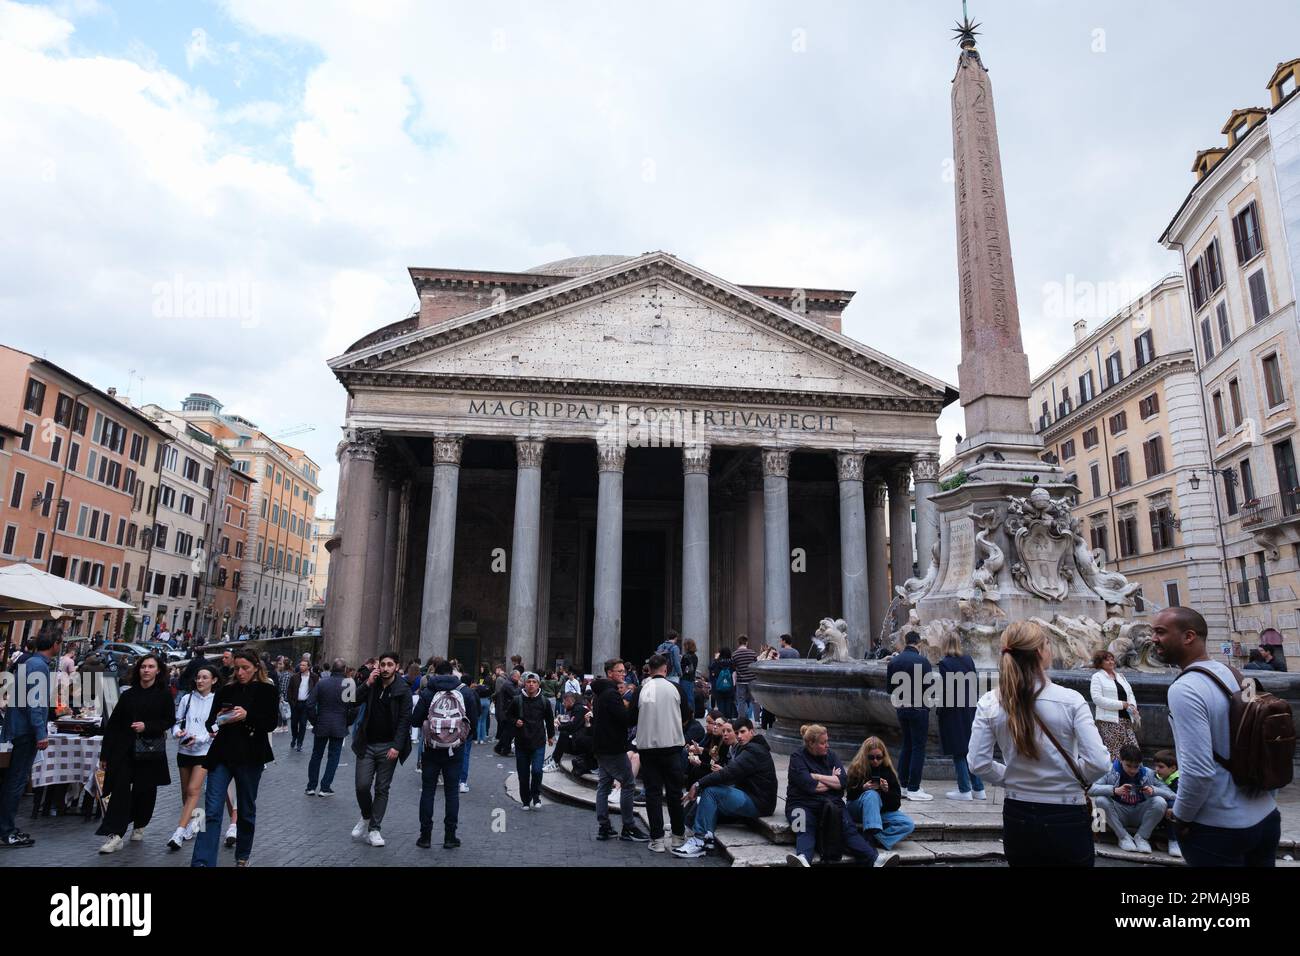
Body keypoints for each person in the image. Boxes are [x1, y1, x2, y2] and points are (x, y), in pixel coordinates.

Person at [969, 620, 1111, 867]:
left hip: (1017, 812)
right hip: (1066, 811)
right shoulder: (1071, 700)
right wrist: (1074, 777)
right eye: (1048, 644)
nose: (1050, 650)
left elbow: (978, 764)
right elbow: (1099, 762)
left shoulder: (990, 702)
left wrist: (1012, 777)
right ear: (1039, 652)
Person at [1152, 606, 1280, 867]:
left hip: (1219, 828)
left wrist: (1181, 817)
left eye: (1160, 632)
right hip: (1266, 818)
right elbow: (1265, 745)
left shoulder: (1185, 688)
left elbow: (1198, 771)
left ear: (1189, 636)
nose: (1153, 638)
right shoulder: (1235, 673)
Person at [189, 649, 279, 867]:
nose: (240, 673)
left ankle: (243, 855)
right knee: (210, 809)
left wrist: (247, 717)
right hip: (222, 754)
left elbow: (270, 723)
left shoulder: (267, 690)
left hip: (251, 755)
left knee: (246, 810)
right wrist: (220, 719)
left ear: (256, 667)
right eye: (237, 668)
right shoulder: (227, 690)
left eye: (245, 668)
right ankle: (202, 861)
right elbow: (210, 721)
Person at [96, 653, 173, 853]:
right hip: (125, 750)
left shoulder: (164, 694)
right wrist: (105, 754)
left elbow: (169, 720)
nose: (146, 670)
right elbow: (113, 725)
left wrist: (147, 726)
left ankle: (140, 822)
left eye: (150, 666)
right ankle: (115, 834)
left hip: (149, 751)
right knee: (120, 790)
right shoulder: (128, 695)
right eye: (143, 666)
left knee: (145, 790)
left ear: (158, 670)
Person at [785, 723, 889, 867]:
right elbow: (810, 786)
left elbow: (842, 782)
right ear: (811, 743)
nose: (827, 745)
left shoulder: (832, 756)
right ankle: (802, 859)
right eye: (823, 743)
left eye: (827, 741)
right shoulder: (797, 757)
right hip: (800, 804)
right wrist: (830, 780)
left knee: (849, 830)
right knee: (803, 827)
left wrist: (815, 776)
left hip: (832, 803)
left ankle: (874, 859)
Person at [674, 718, 777, 859]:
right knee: (711, 789)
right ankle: (707, 837)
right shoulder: (749, 747)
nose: (739, 736)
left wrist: (698, 784)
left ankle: (699, 840)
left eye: (742, 732)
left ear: (752, 731)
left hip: (759, 802)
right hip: (753, 797)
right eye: (737, 732)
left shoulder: (754, 750)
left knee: (711, 791)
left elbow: (729, 772)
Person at [0, 625, 59, 849]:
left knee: (14, 780)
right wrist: (41, 733)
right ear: (54, 645)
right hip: (26, 731)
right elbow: (35, 703)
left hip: (21, 728)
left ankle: (6, 827)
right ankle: (7, 830)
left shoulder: (31, 663)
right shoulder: (37, 666)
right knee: (16, 781)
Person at [350, 651, 413, 847]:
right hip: (367, 744)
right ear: (378, 666)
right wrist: (367, 683)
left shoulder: (403, 690)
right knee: (362, 785)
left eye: (389, 665)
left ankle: (375, 829)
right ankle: (367, 816)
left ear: (396, 667)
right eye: (383, 664)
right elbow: (351, 700)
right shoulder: (372, 684)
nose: (385, 668)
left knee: (382, 788)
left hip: (389, 747)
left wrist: (397, 746)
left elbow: (404, 721)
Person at [411, 659, 470, 849]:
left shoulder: (428, 692)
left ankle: (425, 836)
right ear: (453, 673)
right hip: (455, 751)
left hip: (431, 749)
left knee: (428, 791)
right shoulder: (464, 691)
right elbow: (473, 722)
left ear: (435, 673)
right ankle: (450, 837)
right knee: (452, 793)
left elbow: (415, 720)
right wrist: (458, 739)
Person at [633, 653, 688, 852]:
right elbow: (688, 714)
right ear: (665, 669)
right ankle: (677, 837)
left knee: (653, 795)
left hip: (648, 750)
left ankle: (656, 839)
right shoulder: (676, 688)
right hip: (672, 747)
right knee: (675, 793)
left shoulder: (641, 689)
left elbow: (632, 718)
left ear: (649, 669)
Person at [591, 659, 650, 842]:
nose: (623, 674)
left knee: (604, 785)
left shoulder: (600, 692)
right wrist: (635, 703)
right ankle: (629, 827)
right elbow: (625, 719)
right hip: (613, 747)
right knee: (628, 784)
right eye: (619, 671)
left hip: (601, 745)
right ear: (610, 673)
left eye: (624, 671)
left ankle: (604, 827)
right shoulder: (611, 694)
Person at [1089, 743, 1176, 854]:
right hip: (1119, 813)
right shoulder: (1109, 770)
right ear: (1121, 760)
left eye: (1136, 766)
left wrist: (1154, 790)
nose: (1133, 770)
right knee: (1101, 800)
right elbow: (1090, 789)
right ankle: (1123, 837)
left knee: (1160, 801)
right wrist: (1114, 790)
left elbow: (1172, 794)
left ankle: (1142, 837)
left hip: (1140, 813)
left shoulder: (1148, 773)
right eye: (1128, 765)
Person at [167, 662, 219, 850]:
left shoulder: (216, 700)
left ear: (214, 680)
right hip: (184, 750)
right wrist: (177, 733)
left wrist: (201, 739)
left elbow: (217, 727)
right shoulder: (186, 699)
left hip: (204, 751)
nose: (200, 681)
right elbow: (177, 722)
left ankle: (178, 832)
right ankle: (196, 822)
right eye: (198, 677)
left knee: (193, 790)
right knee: (185, 792)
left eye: (205, 677)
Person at [937, 633, 985, 801]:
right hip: (970, 709)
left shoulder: (945, 664)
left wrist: (939, 710)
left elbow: (945, 690)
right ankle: (979, 788)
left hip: (953, 710)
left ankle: (964, 789)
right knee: (969, 749)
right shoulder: (968, 660)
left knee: (958, 750)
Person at [845, 737, 915, 851]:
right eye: (871, 757)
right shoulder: (857, 768)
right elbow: (849, 796)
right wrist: (863, 788)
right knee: (871, 794)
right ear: (865, 756)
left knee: (907, 824)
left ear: (883, 756)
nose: (875, 761)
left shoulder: (888, 771)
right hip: (856, 809)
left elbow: (895, 805)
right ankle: (870, 834)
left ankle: (876, 839)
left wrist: (886, 791)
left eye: (879, 757)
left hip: (879, 813)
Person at [887, 631, 933, 801]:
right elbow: (929, 687)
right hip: (919, 709)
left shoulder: (894, 661)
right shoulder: (923, 661)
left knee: (906, 745)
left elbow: (890, 689)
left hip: (901, 708)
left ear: (906, 641)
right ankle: (914, 787)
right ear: (918, 643)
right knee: (918, 748)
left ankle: (903, 785)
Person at [508, 672, 554, 811]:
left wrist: (551, 736)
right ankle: (525, 801)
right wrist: (515, 721)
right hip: (521, 742)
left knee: (537, 771)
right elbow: (508, 715)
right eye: (529, 682)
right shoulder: (517, 700)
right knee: (523, 774)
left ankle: (536, 796)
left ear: (538, 684)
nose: (531, 684)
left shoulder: (544, 701)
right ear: (524, 684)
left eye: (534, 682)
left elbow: (549, 720)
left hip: (538, 741)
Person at [305, 658, 350, 797]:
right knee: (333, 757)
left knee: (316, 755)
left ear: (332, 668)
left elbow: (310, 704)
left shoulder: (322, 683)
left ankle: (311, 786)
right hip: (338, 724)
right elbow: (354, 708)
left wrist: (315, 720)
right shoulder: (348, 684)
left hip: (322, 723)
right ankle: (325, 787)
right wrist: (346, 722)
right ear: (345, 669)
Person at [1089, 648, 1139, 760]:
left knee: (1134, 752)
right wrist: (1122, 704)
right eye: (1107, 660)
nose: (1111, 662)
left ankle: (1131, 776)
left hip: (1126, 719)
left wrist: (1132, 706)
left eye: (1112, 659)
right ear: (1100, 663)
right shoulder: (1097, 677)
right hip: (1109, 721)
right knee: (1116, 755)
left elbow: (1130, 693)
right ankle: (1115, 777)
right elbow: (1097, 699)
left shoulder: (1120, 677)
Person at [1153, 749, 1182, 858]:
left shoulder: (1178, 781)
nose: (1156, 769)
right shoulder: (1158, 777)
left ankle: (1173, 841)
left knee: (1171, 805)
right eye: (1155, 766)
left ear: (1173, 768)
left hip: (1173, 813)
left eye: (1161, 767)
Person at [287, 658, 317, 752]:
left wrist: (312, 703)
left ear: (308, 667)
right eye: (300, 665)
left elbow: (316, 691)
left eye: (304, 665)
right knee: (293, 724)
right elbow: (289, 691)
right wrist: (291, 703)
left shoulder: (314, 677)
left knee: (303, 724)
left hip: (306, 704)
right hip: (295, 703)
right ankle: (294, 737)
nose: (301, 666)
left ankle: (300, 743)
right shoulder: (294, 677)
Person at [730, 636, 758, 721]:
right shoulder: (752, 653)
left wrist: (734, 682)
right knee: (755, 701)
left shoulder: (734, 654)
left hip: (741, 681)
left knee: (741, 701)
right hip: (752, 680)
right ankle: (757, 721)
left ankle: (741, 720)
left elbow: (733, 669)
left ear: (738, 643)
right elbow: (756, 666)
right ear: (746, 643)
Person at [493, 668, 520, 757]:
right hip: (505, 711)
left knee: (508, 731)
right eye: (518, 677)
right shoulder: (508, 684)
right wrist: (522, 686)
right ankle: (503, 749)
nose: (519, 679)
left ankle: (502, 748)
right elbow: (515, 694)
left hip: (507, 710)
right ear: (513, 676)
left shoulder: (511, 683)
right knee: (509, 731)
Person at [709, 646, 736, 719]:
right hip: (729, 687)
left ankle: (722, 719)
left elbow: (710, 668)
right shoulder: (731, 662)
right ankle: (728, 719)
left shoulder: (717, 662)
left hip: (719, 687)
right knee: (728, 704)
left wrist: (715, 658)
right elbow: (734, 673)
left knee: (720, 705)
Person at [680, 638, 699, 714]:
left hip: (685, 678)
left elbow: (683, 669)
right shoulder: (695, 656)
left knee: (686, 697)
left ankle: (687, 715)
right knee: (690, 697)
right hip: (691, 678)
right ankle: (691, 714)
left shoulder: (685, 656)